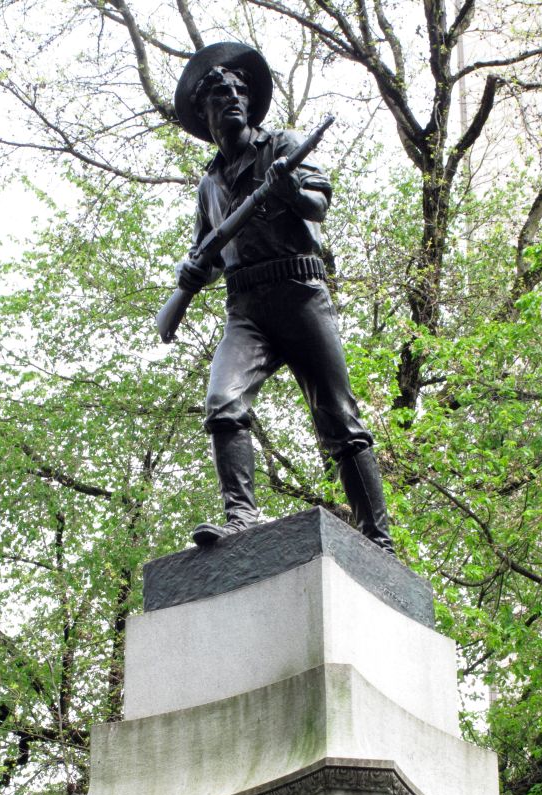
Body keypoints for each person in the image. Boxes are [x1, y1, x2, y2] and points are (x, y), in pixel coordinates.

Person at [174, 42, 394, 554]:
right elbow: (205, 258)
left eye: (239, 91)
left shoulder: (282, 146)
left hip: (299, 295)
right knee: (222, 403)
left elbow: (318, 204)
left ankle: (379, 543)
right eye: (219, 94)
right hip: (245, 309)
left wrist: (289, 190)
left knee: (338, 418)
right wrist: (191, 271)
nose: (231, 97)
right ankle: (240, 516)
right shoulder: (208, 185)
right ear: (205, 113)